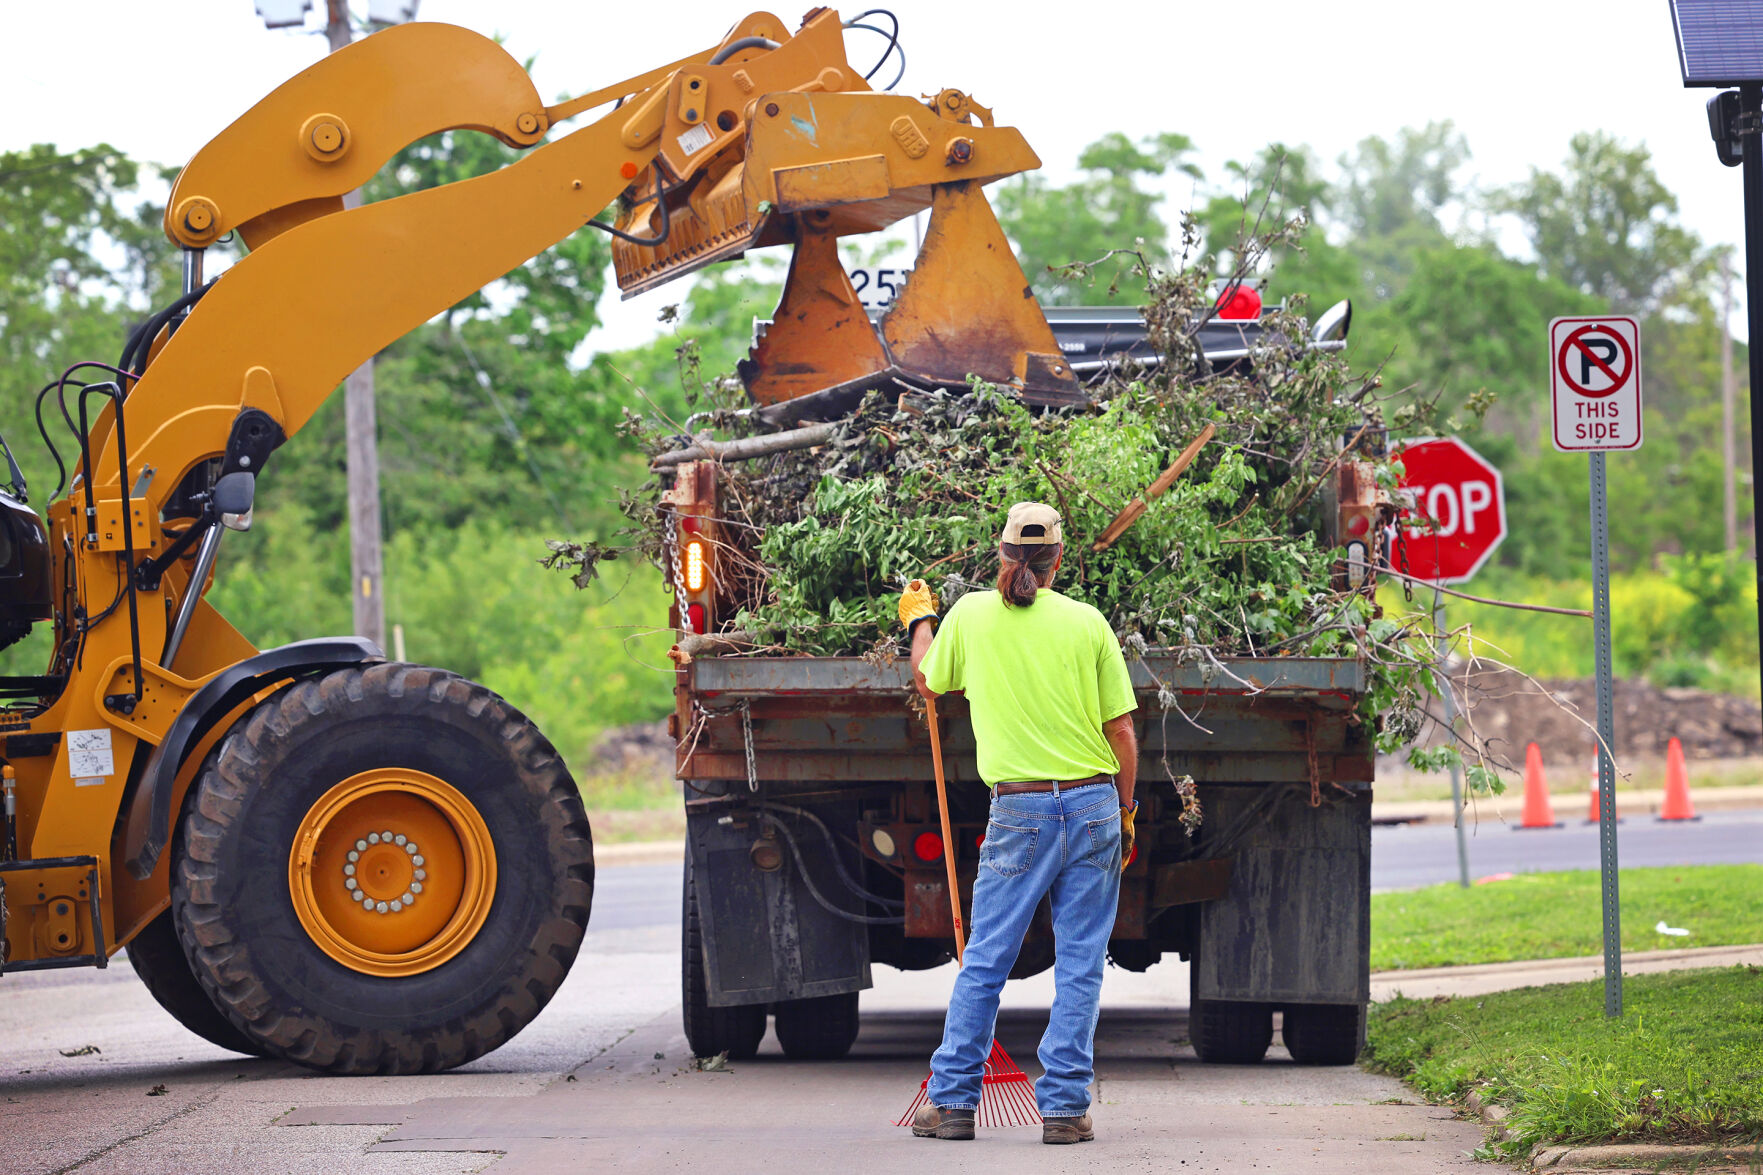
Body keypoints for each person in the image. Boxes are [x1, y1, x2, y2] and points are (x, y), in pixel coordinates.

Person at [898, 501, 1139, 1146]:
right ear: (1057, 559)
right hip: (1093, 806)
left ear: (1002, 554)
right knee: (1081, 962)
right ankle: (1063, 1111)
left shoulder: (971, 616)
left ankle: (951, 1104)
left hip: (1020, 812)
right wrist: (1124, 809)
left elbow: (929, 681)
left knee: (986, 959)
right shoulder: (1088, 623)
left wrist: (921, 619)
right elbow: (1121, 731)